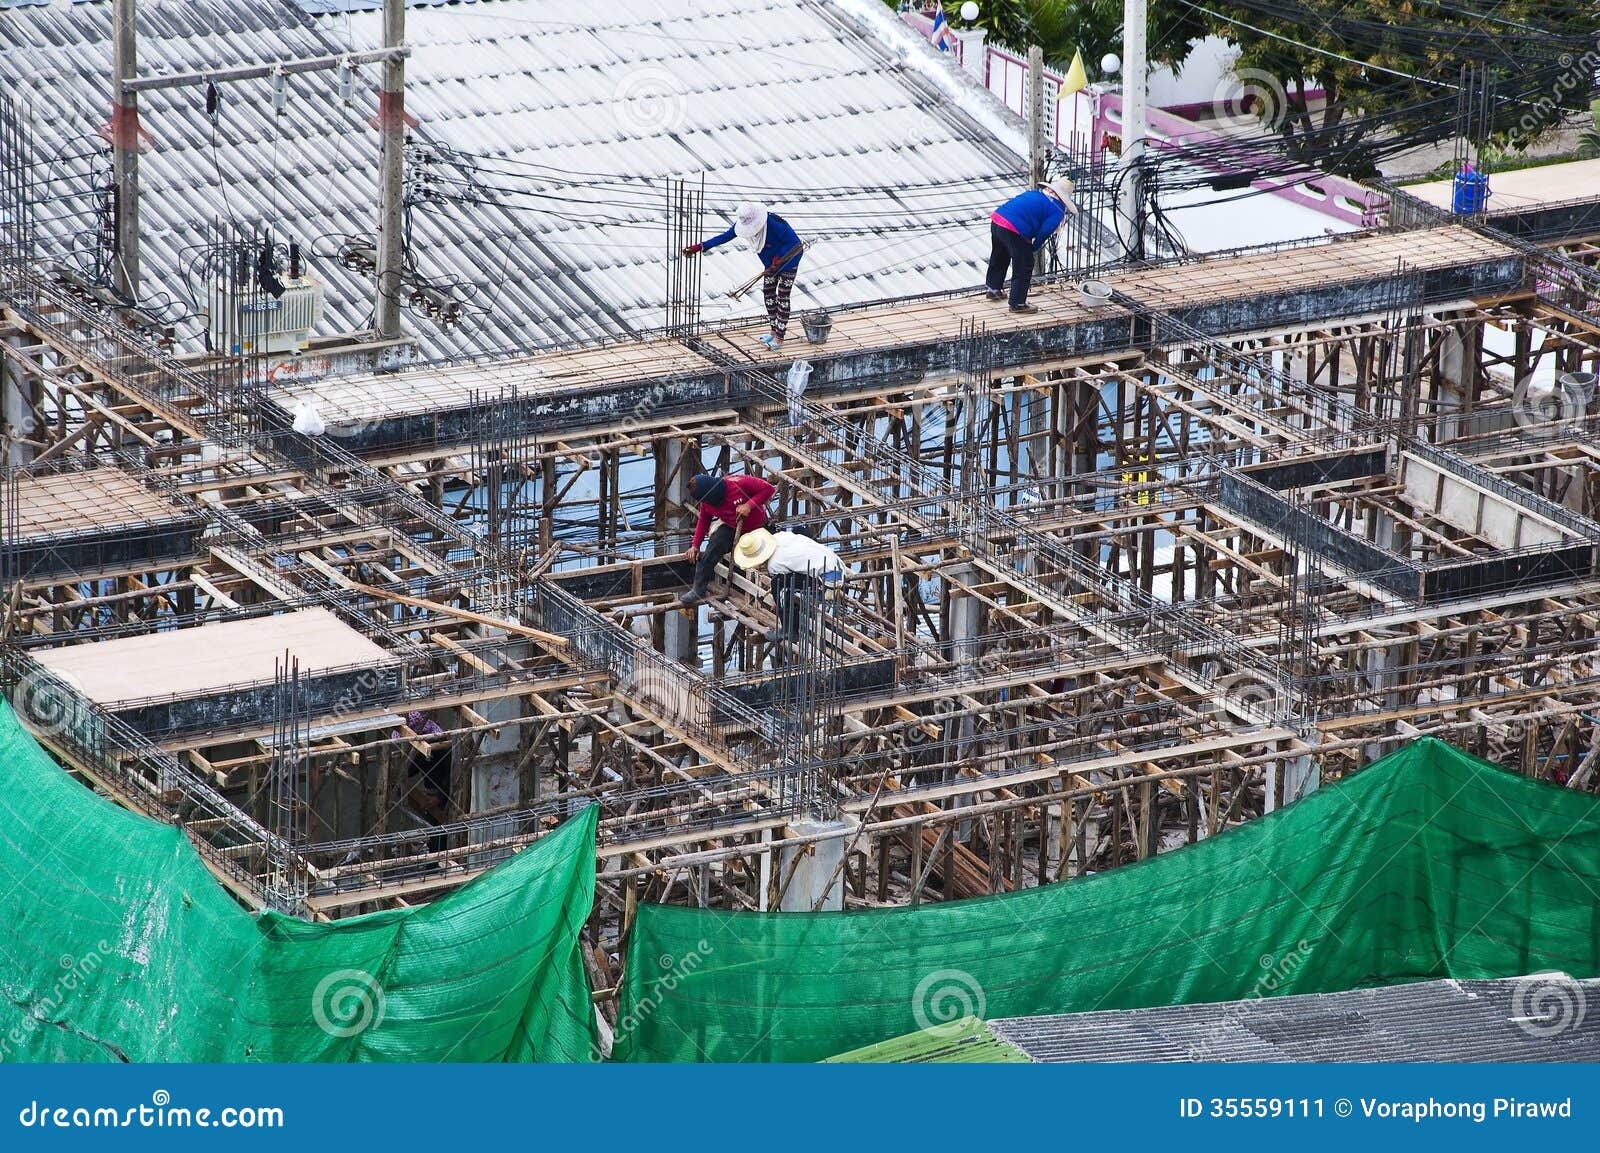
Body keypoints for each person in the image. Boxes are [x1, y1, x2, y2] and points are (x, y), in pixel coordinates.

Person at [683, 202, 805, 350]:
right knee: (768, 294)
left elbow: (793, 242)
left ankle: (779, 337)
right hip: (770, 265)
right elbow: (725, 237)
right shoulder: (743, 223)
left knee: (783, 297)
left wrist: (778, 258)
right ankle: (773, 330)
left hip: (789, 260)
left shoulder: (773, 223)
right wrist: (701, 246)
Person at [732, 525, 845, 642]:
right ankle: (793, 614)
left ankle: (788, 630)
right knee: (786, 583)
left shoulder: (774, 564)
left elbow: (784, 583)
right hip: (836, 564)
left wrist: (779, 600)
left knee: (777, 583)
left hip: (829, 582)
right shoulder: (779, 537)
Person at [680, 471, 777, 606]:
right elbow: (704, 520)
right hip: (732, 526)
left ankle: (774, 590)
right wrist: (695, 545)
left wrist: (749, 505)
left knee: (770, 557)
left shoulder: (738, 483)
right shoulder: (707, 503)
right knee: (712, 549)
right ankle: (698, 589)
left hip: (757, 527)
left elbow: (768, 489)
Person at [985, 177, 1075, 313]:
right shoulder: (1057, 209)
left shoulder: (1036, 193)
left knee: (1000, 254)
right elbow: (1045, 231)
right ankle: (1018, 303)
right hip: (1014, 229)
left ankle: (993, 288)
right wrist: (1033, 247)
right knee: (1025, 263)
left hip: (998, 219)